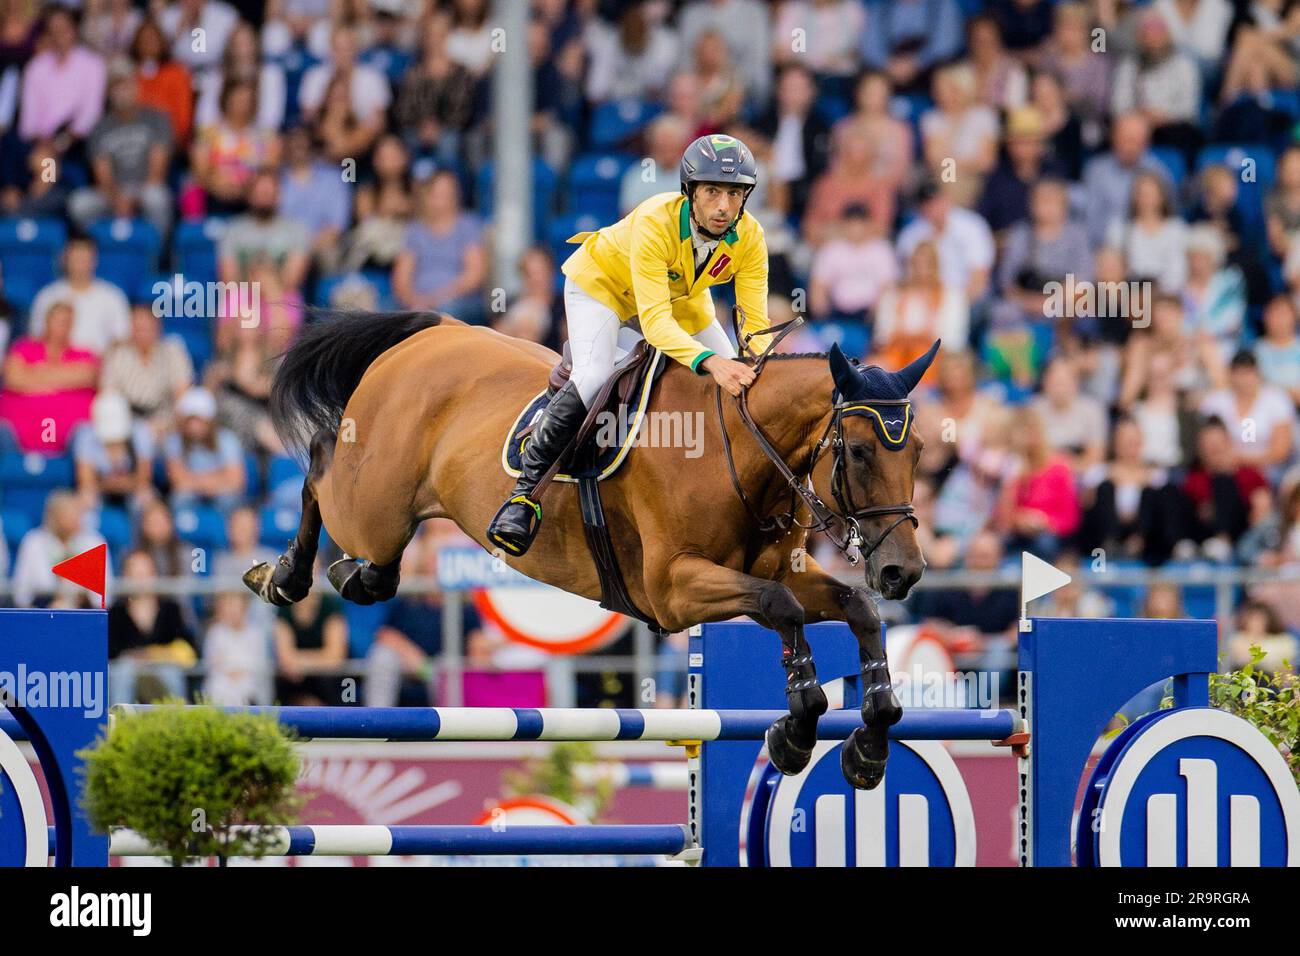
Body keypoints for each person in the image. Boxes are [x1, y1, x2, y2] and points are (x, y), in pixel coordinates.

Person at [487, 134, 768, 556]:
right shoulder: (656, 219)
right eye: (712, 191)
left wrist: (761, 361)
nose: (724, 206)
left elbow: (754, 324)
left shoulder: (750, 236)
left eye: (734, 193)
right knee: (594, 374)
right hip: (603, 289)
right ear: (690, 191)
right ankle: (524, 494)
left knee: (747, 381)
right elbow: (654, 326)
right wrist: (712, 363)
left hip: (679, 299)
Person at [0, 301, 98, 453]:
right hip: (15, 436)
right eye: (58, 320)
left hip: (70, 440)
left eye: (67, 321)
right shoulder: (23, 347)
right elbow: (13, 379)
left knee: (87, 436)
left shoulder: (84, 354)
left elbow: (88, 375)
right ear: (46, 321)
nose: (62, 325)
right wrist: (65, 378)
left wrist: (35, 374)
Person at [107, 548, 194, 705]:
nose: (140, 579)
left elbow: (187, 645)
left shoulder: (170, 608)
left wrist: (152, 655)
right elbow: (111, 651)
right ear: (125, 577)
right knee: (121, 672)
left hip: (163, 664)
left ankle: (178, 722)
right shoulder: (116, 611)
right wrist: (135, 657)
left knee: (171, 673)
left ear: (154, 575)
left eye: (144, 573)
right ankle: (118, 724)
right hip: (128, 668)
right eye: (134, 573)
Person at [28, 235, 131, 355]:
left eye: (85, 258)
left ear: (95, 260)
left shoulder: (112, 296)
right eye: (75, 257)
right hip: (57, 367)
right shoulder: (47, 296)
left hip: (102, 367)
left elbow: (122, 340)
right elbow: (36, 339)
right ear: (64, 258)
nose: (80, 263)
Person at [10, 491, 108, 607]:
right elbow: (21, 593)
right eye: (66, 513)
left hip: (85, 609)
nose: (74, 517)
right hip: (42, 609)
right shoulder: (33, 541)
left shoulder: (94, 541)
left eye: (76, 512)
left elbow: (105, 595)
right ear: (53, 516)